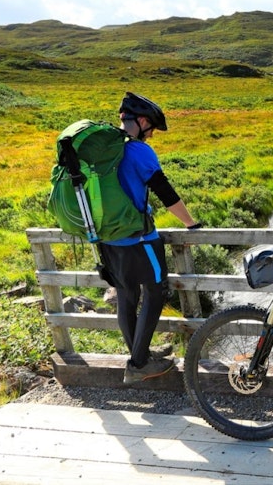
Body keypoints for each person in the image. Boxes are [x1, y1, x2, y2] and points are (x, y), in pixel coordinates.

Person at [98, 92, 201, 385]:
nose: (152, 134)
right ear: (141, 121)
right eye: (152, 127)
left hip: (107, 239)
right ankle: (139, 363)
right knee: (156, 291)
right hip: (138, 238)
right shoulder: (139, 150)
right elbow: (164, 191)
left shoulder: (107, 150)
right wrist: (190, 223)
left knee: (127, 296)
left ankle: (139, 355)